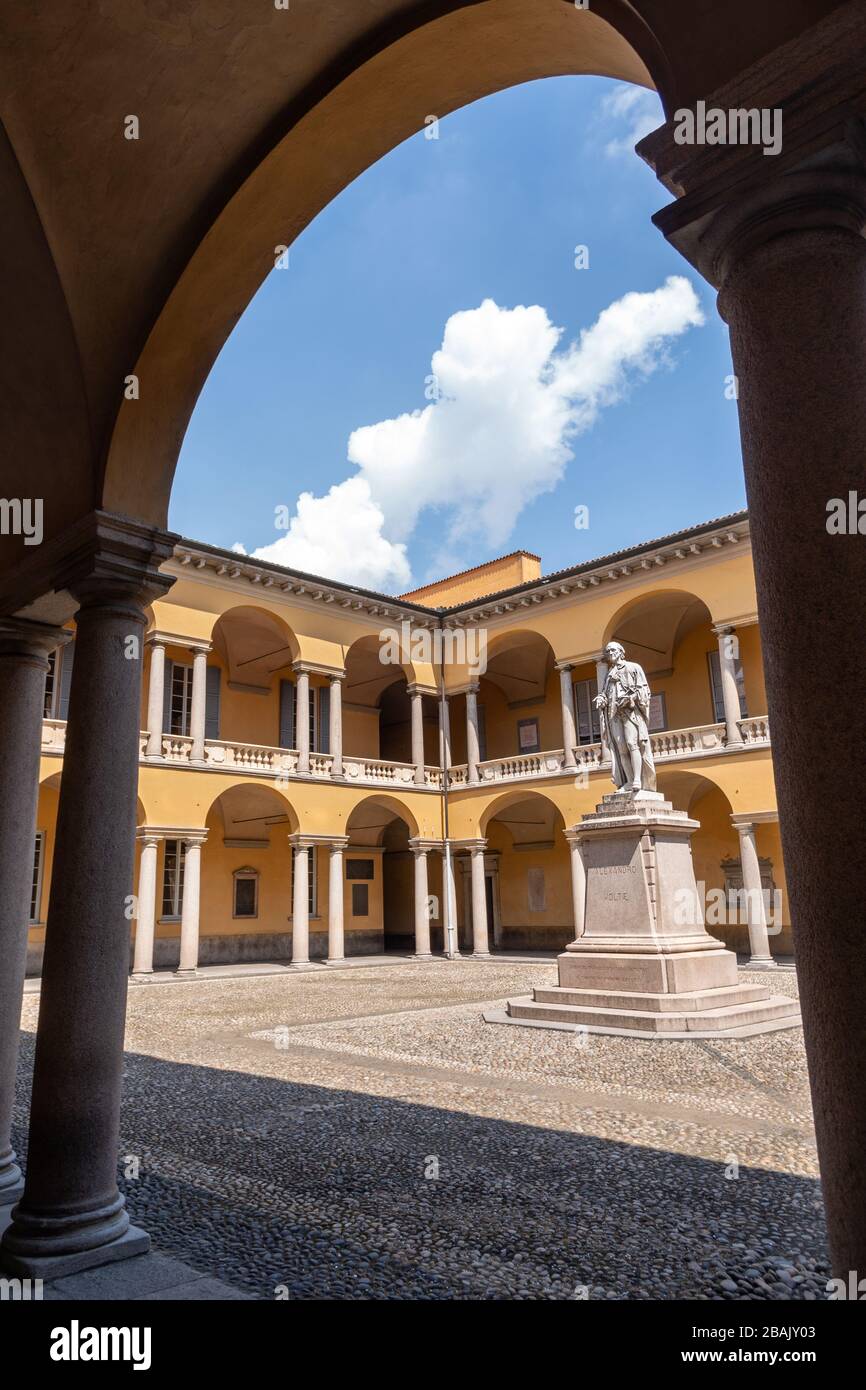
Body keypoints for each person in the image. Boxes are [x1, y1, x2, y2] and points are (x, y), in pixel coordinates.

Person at [594, 640, 657, 794]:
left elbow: (645, 691)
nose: (610, 654)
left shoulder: (634, 668)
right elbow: (605, 692)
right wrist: (602, 699)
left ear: (621, 652)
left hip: (630, 713)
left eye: (613, 650)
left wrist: (631, 698)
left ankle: (637, 780)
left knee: (632, 744)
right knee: (621, 749)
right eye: (608, 652)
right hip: (614, 714)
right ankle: (628, 782)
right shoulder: (609, 674)